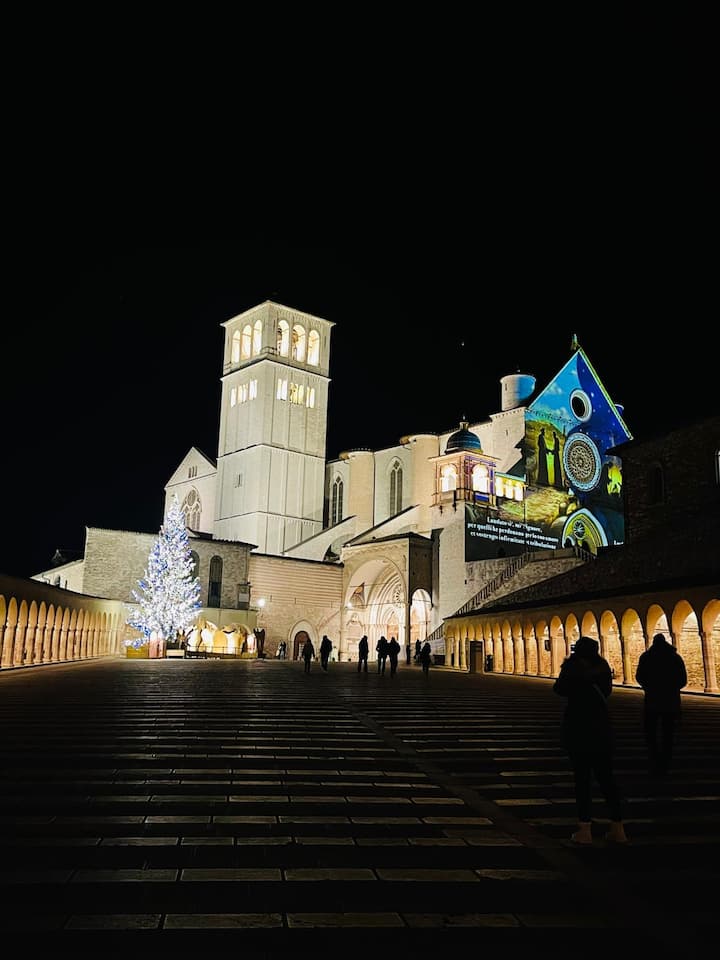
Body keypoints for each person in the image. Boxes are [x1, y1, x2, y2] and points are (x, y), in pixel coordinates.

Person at [553, 636, 628, 844]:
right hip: (601, 727)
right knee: (607, 779)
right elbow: (607, 692)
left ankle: (584, 829)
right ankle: (618, 828)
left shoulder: (573, 667)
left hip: (579, 727)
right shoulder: (603, 668)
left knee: (582, 780)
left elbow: (559, 689)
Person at [635, 633, 688, 776]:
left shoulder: (646, 657)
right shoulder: (675, 658)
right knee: (668, 731)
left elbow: (639, 676)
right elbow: (683, 679)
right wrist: (672, 688)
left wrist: (649, 687)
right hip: (670, 700)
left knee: (651, 730)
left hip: (652, 699)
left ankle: (654, 756)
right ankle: (666, 758)